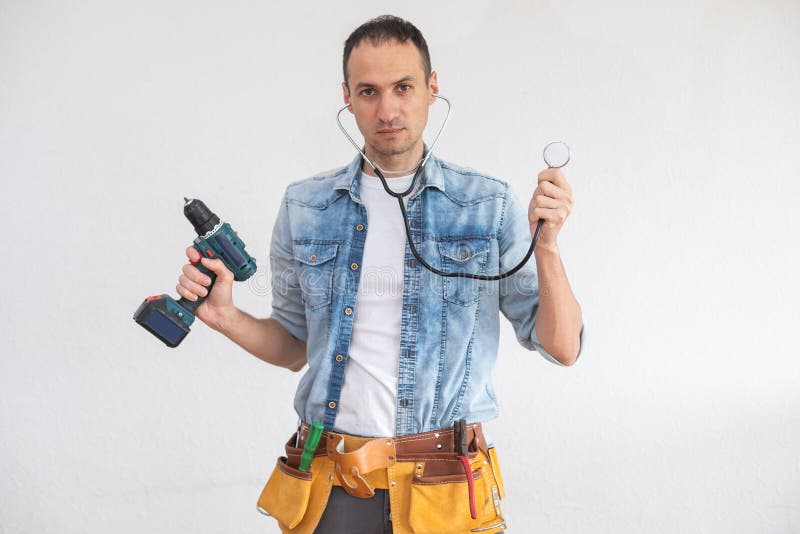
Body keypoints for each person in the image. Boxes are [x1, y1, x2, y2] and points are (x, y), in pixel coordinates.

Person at [176, 14, 584, 534]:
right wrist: (226, 316)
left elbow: (563, 346)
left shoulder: (488, 205)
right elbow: (294, 347)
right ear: (347, 96)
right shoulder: (306, 207)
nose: (387, 110)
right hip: (330, 483)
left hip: (444, 487)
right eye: (369, 91)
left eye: (403, 88)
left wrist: (546, 247)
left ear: (432, 89)